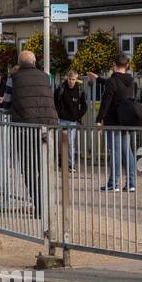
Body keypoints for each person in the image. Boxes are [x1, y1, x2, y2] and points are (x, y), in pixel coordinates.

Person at [8, 50, 58, 213]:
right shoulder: (46, 77)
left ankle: (40, 206)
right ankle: (47, 205)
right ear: (34, 62)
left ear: (19, 63)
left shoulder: (13, 78)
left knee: (29, 168)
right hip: (49, 127)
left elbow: (7, 103)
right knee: (44, 166)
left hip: (26, 128)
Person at [94, 54, 138, 192]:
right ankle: (131, 183)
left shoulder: (113, 81)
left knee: (115, 152)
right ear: (126, 66)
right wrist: (99, 79)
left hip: (113, 121)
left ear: (114, 65)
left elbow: (106, 102)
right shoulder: (131, 81)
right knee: (128, 152)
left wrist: (99, 119)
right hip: (126, 120)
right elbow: (117, 86)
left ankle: (113, 183)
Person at [53, 69, 87, 171]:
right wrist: (59, 113)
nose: (71, 81)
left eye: (73, 79)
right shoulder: (61, 88)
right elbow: (54, 101)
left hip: (73, 121)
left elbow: (84, 106)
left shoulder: (80, 90)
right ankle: (61, 162)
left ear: (76, 80)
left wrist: (78, 115)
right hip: (62, 119)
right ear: (67, 78)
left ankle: (71, 165)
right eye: (70, 79)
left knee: (71, 143)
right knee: (61, 142)